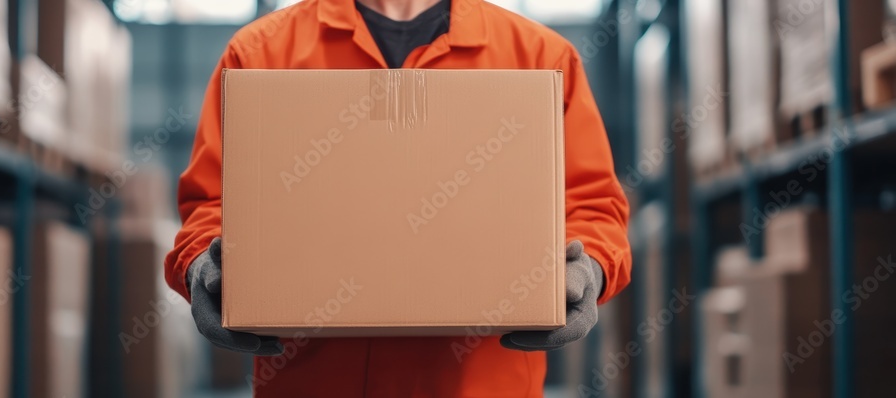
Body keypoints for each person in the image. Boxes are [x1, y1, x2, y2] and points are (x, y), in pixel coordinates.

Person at [164, 0, 631, 396]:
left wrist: (588, 268)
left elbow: (592, 206)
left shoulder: (540, 56)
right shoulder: (259, 54)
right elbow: (211, 205)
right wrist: (202, 267)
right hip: (314, 382)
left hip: (482, 383)